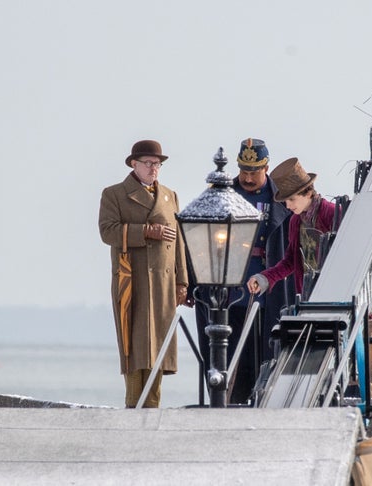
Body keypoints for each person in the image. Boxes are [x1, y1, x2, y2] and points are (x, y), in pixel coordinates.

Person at [192, 138, 293, 405]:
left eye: (254, 172)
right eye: (243, 171)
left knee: (264, 354)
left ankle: (262, 401)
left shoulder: (281, 197)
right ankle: (227, 400)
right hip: (229, 289)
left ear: (266, 168)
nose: (247, 178)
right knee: (227, 352)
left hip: (269, 289)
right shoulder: (220, 194)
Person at [98, 140, 189, 408]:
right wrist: (147, 232)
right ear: (133, 164)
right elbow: (108, 231)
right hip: (132, 282)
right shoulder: (114, 194)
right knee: (135, 349)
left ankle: (152, 407)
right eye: (148, 163)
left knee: (158, 350)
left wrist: (182, 282)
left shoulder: (169, 195)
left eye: (157, 164)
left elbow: (180, 244)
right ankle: (134, 406)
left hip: (164, 284)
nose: (153, 169)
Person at [247, 157, 336, 300]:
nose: (287, 206)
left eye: (292, 199)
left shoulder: (332, 213)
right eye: (285, 201)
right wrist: (264, 278)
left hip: (337, 295)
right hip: (309, 297)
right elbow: (290, 261)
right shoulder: (295, 220)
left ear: (308, 193)